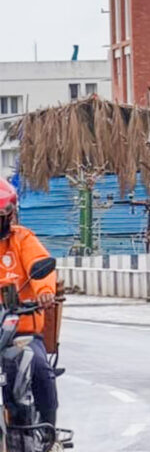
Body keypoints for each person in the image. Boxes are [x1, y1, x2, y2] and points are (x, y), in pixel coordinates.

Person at [0, 178, 59, 425]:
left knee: (40, 370)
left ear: (11, 214)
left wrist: (44, 291)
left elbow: (39, 265)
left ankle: (49, 433)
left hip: (20, 332)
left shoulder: (22, 239)